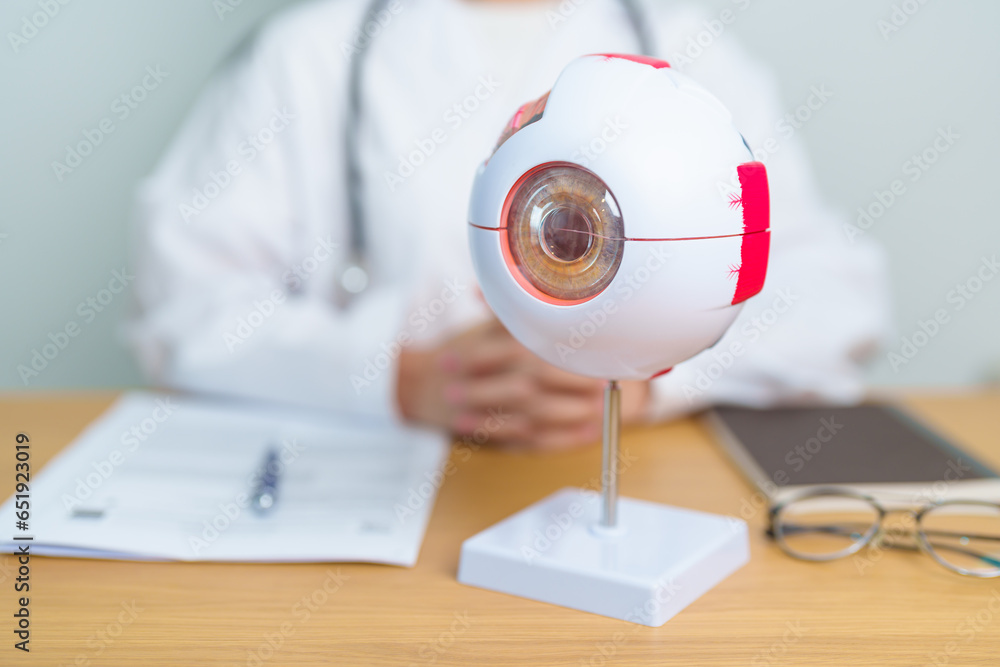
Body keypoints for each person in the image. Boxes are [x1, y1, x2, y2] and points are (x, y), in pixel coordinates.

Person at [126, 0, 890, 450]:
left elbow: (835, 296)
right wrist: (388, 374)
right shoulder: (311, 52)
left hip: (633, 477)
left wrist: (655, 372)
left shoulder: (681, 48)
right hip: (390, 498)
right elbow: (182, 310)